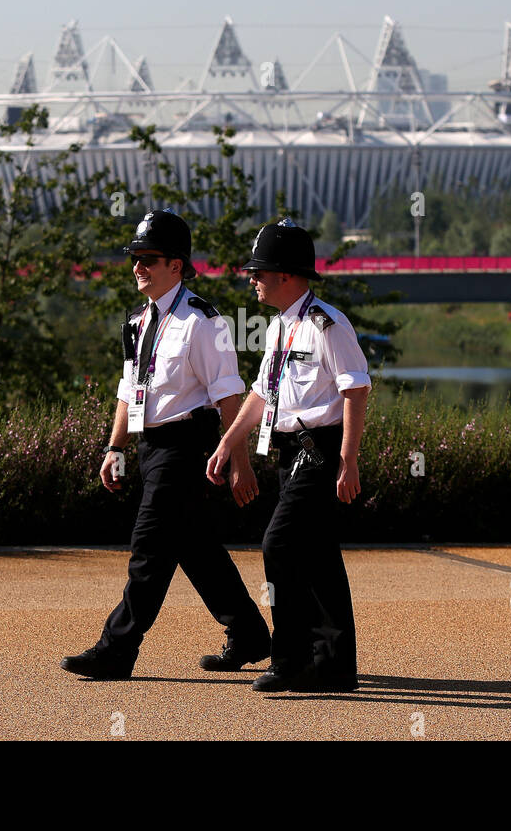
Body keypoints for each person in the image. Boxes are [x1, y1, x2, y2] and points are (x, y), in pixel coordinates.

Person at [60, 209, 271, 680]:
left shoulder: (204, 322)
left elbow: (228, 396)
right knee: (196, 549)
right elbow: (127, 388)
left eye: (149, 259)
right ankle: (251, 634)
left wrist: (240, 461)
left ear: (177, 265)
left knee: (149, 549)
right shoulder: (138, 321)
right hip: (149, 448)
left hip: (184, 448)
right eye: (135, 258)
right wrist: (115, 447)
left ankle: (117, 649)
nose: (138, 267)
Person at [206, 217, 371, 693]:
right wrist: (228, 442)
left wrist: (347, 460)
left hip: (318, 452)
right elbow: (261, 394)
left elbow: (356, 390)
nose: (252, 278)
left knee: (279, 544)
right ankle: (334, 667)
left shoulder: (328, 325)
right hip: (288, 452)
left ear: (288, 275)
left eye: (260, 270)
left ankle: (291, 659)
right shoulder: (280, 326)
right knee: (318, 556)